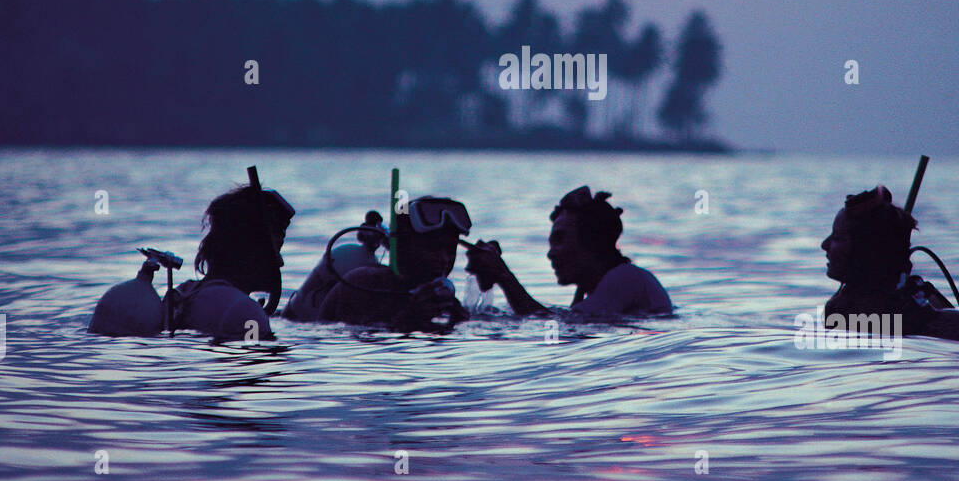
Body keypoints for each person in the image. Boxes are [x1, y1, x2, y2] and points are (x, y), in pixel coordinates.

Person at [89, 179, 294, 341]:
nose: (280, 262)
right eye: (276, 249)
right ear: (253, 249)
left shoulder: (182, 295)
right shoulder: (245, 312)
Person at [465, 186, 673, 320]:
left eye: (559, 241)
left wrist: (504, 277)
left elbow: (545, 320)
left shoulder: (627, 278)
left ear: (593, 242)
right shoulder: (601, 291)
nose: (551, 254)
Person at [820, 185, 959, 345]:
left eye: (838, 237)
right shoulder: (840, 312)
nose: (825, 244)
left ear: (866, 251)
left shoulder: (954, 327)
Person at [313, 196, 470, 332]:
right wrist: (410, 319)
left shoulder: (436, 298)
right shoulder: (364, 285)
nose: (444, 259)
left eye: (450, 250)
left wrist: (461, 320)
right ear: (403, 246)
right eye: (432, 248)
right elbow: (359, 346)